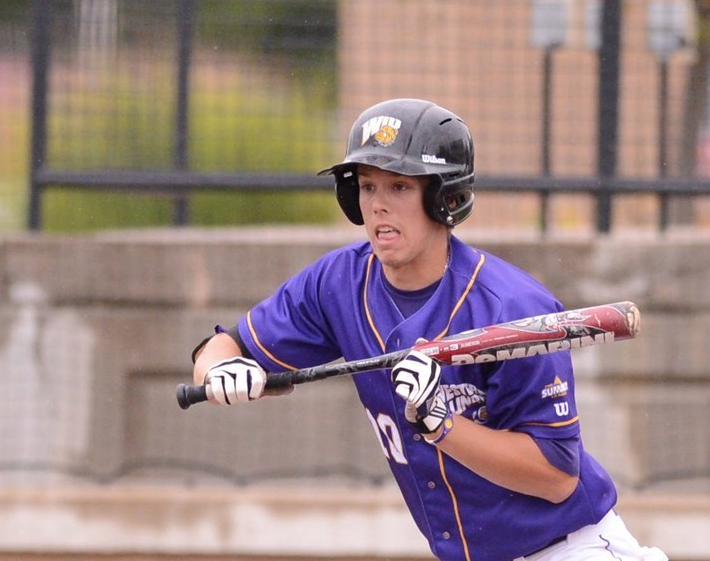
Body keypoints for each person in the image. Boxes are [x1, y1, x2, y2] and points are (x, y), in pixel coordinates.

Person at [189, 98, 667, 561]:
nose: (378, 205)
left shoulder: (510, 306)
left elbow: (556, 476)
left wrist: (441, 426)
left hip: (568, 549)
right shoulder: (336, 283)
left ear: (445, 198)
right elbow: (224, 346)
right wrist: (222, 368)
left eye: (399, 187)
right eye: (368, 186)